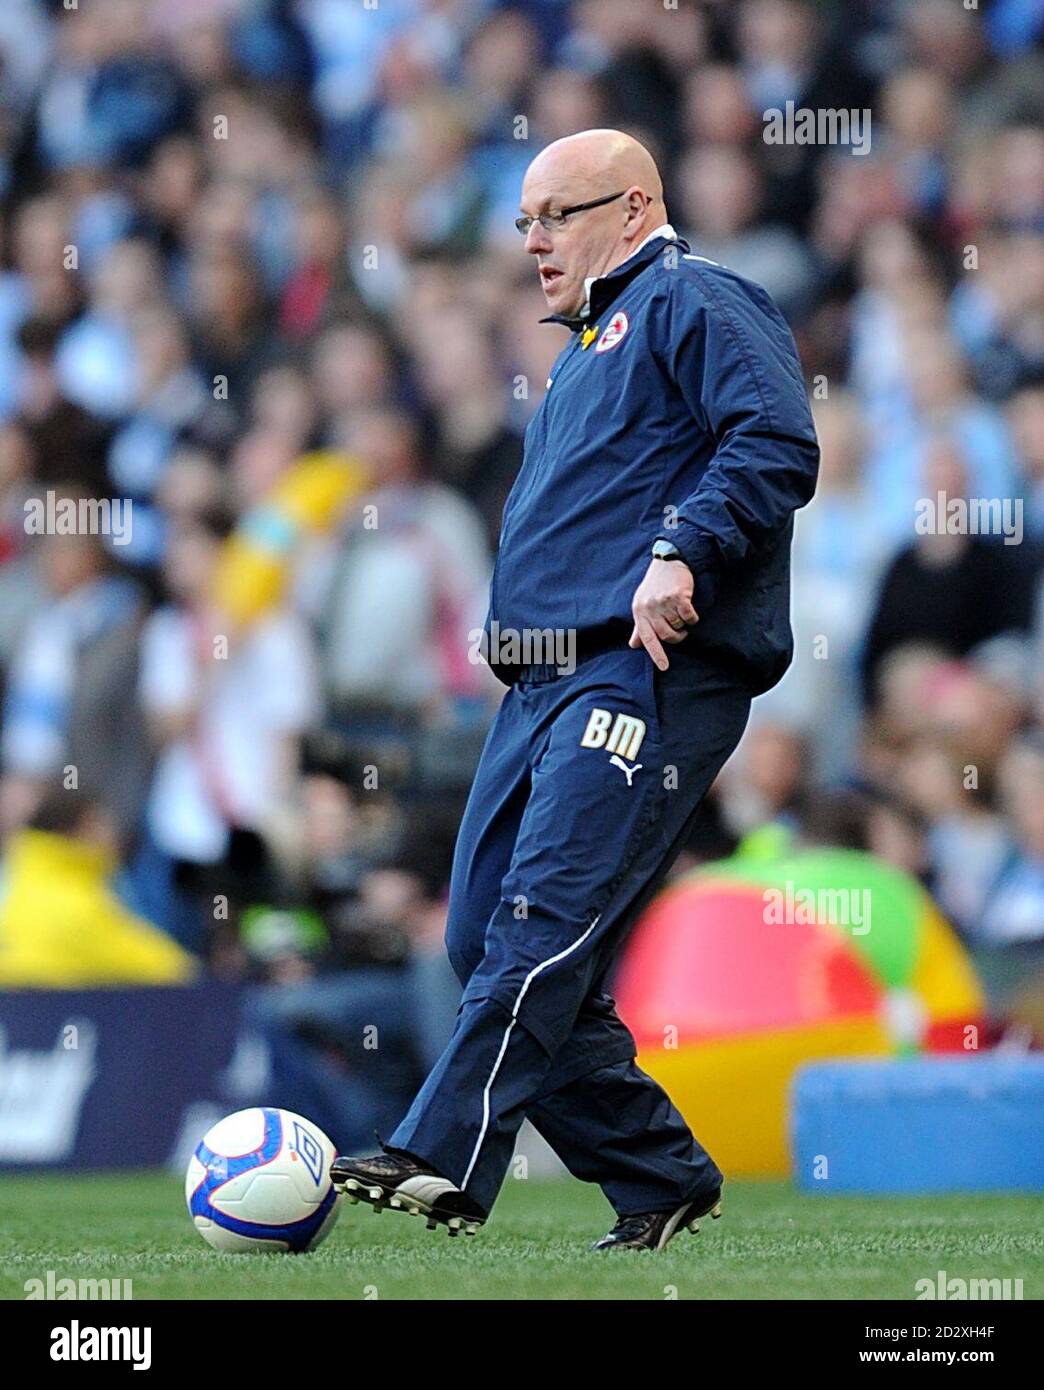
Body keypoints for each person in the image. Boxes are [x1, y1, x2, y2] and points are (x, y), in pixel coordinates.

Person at [331, 129, 819, 1249]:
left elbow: (777, 439)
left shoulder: (695, 297)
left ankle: (441, 1152)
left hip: (638, 668)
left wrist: (685, 548)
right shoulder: (591, 342)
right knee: (477, 937)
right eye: (524, 222)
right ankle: (657, 1172)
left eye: (557, 214)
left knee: (541, 919)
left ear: (637, 204)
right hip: (539, 682)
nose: (534, 242)